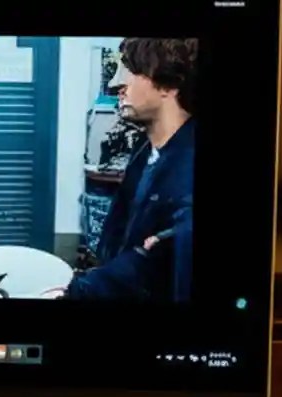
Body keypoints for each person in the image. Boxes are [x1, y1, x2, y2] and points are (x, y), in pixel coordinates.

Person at [65, 38, 196, 302]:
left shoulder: (189, 169)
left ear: (168, 86)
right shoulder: (144, 151)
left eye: (131, 73)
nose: (116, 85)